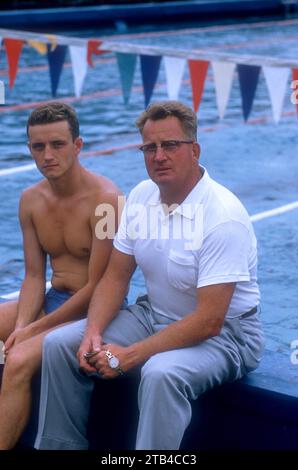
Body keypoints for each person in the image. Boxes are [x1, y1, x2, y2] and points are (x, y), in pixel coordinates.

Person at [34, 100, 264, 450]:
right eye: (150, 147)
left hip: (227, 336)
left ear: (194, 150)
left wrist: (131, 355)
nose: (159, 156)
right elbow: (115, 276)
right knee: (59, 344)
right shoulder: (141, 197)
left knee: (160, 373)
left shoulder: (222, 217)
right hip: (153, 314)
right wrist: (92, 334)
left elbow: (209, 321)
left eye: (170, 145)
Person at [0, 102, 122, 450]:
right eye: (38, 147)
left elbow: (100, 286)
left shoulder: (107, 201)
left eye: (57, 144)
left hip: (93, 309)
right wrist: (24, 323)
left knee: (19, 360)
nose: (47, 155)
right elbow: (35, 277)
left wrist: (30, 332)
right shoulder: (30, 200)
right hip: (53, 301)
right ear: (30, 150)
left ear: (78, 145)